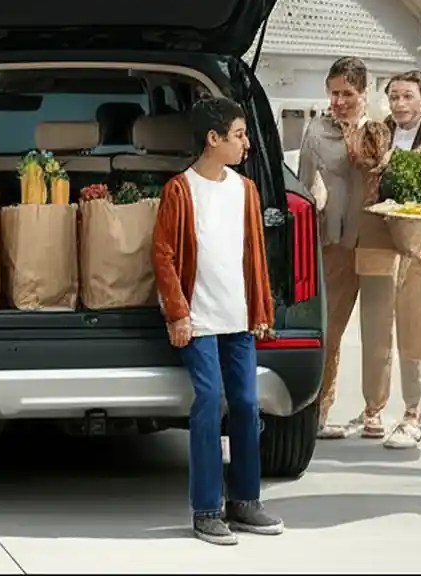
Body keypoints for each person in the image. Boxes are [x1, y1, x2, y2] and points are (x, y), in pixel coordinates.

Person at [151, 95, 285, 545]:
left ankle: (245, 501)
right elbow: (164, 256)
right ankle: (206, 508)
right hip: (199, 320)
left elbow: (256, 257)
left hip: (238, 318)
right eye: (240, 135)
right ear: (213, 139)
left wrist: (261, 310)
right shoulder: (180, 190)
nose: (246, 144)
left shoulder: (245, 190)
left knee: (246, 404)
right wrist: (178, 314)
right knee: (210, 401)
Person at [297, 57, 396, 440]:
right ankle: (319, 411)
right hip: (334, 241)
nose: (339, 101)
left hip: (375, 239)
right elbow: (306, 185)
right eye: (334, 93)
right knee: (330, 330)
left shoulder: (382, 131)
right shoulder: (317, 130)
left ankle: (375, 411)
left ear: (364, 92)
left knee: (377, 333)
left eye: (347, 94)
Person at [363, 71, 421, 449]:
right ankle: (372, 409)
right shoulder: (378, 135)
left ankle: (413, 413)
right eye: (394, 96)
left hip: (418, 241)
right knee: (377, 329)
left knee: (413, 329)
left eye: (407, 96)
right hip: (379, 237)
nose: (399, 104)